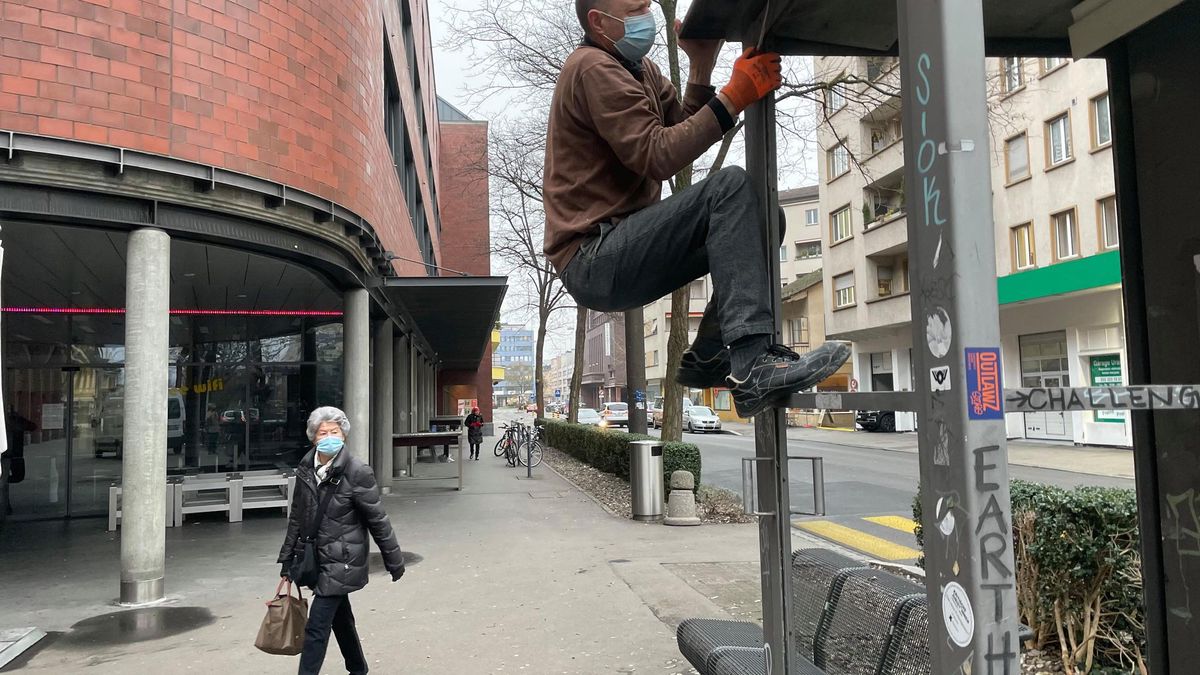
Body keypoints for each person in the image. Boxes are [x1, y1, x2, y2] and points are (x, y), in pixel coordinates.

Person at [544, 0, 851, 418]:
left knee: (764, 218)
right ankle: (751, 364)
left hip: (625, 242)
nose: (647, 12)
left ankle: (709, 355)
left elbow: (679, 130)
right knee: (730, 186)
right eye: (634, 8)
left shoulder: (643, 71)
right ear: (599, 23)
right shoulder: (592, 68)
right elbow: (658, 154)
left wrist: (701, 67)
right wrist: (734, 96)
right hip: (592, 257)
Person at [277, 406, 405, 675]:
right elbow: (297, 518)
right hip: (316, 558)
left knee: (316, 627)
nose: (329, 437)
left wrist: (393, 560)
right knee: (341, 620)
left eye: (335, 431)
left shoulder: (357, 471)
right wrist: (287, 559)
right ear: (313, 437)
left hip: (342, 561)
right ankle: (358, 668)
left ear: (344, 435)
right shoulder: (305, 469)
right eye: (323, 432)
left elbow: (377, 519)